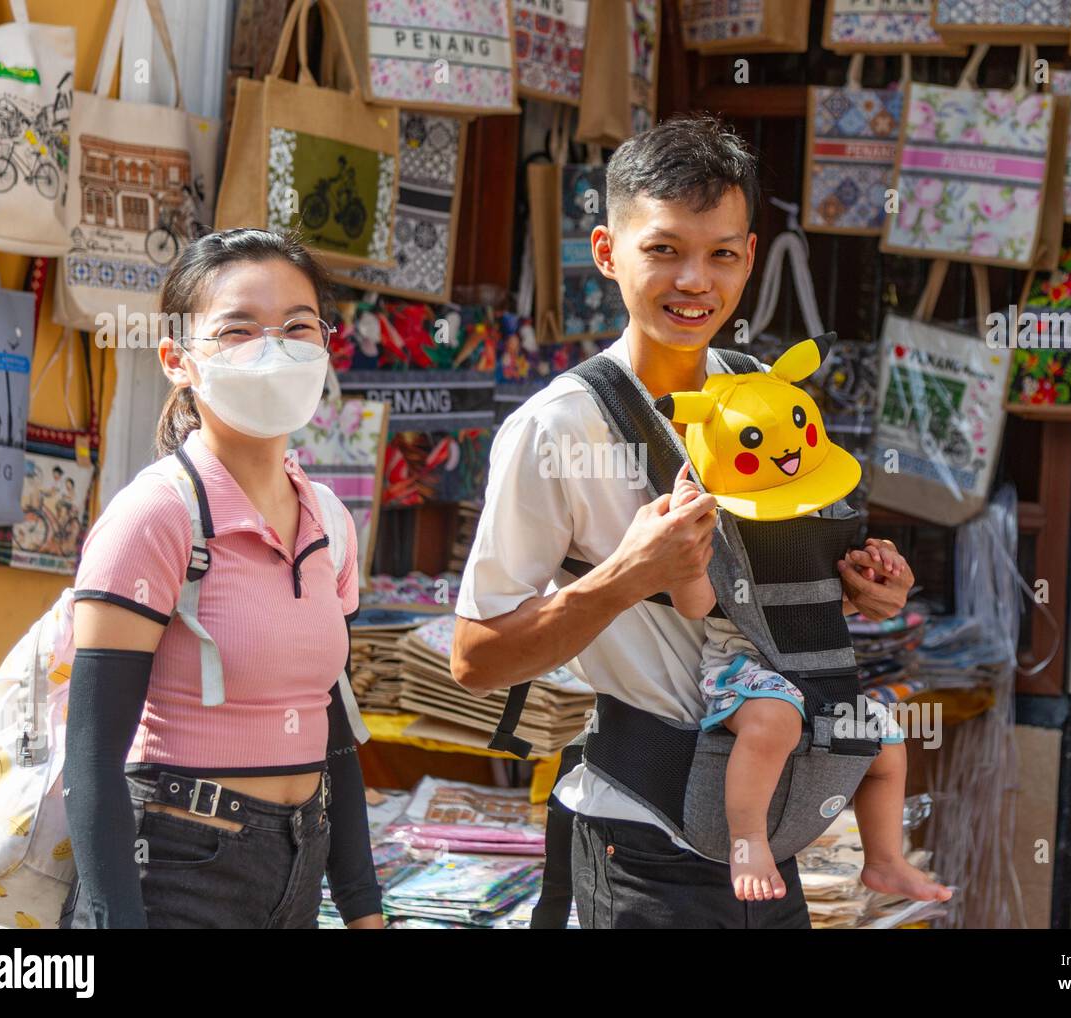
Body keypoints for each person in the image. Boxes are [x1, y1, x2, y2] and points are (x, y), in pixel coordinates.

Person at [451, 115, 915, 929]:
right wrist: (628, 575)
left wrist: (864, 590)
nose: (695, 280)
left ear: (749, 257)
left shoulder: (765, 395)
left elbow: (770, 588)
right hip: (640, 834)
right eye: (664, 250)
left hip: (770, 833)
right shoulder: (557, 429)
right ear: (606, 252)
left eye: (722, 254)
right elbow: (475, 659)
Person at [59, 228, 382, 929]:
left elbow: (332, 724)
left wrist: (363, 906)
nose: (274, 349)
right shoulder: (155, 517)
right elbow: (90, 765)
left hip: (299, 864)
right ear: (178, 359)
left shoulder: (330, 520)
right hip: (176, 869)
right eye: (238, 330)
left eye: (298, 326)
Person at [660, 349, 952, 904]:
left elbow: (829, 603)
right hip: (744, 673)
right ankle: (747, 840)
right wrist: (686, 550)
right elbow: (696, 606)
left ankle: (885, 858)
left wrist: (870, 574)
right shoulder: (716, 525)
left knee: (884, 736)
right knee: (774, 720)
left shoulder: (821, 516)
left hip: (815, 669)